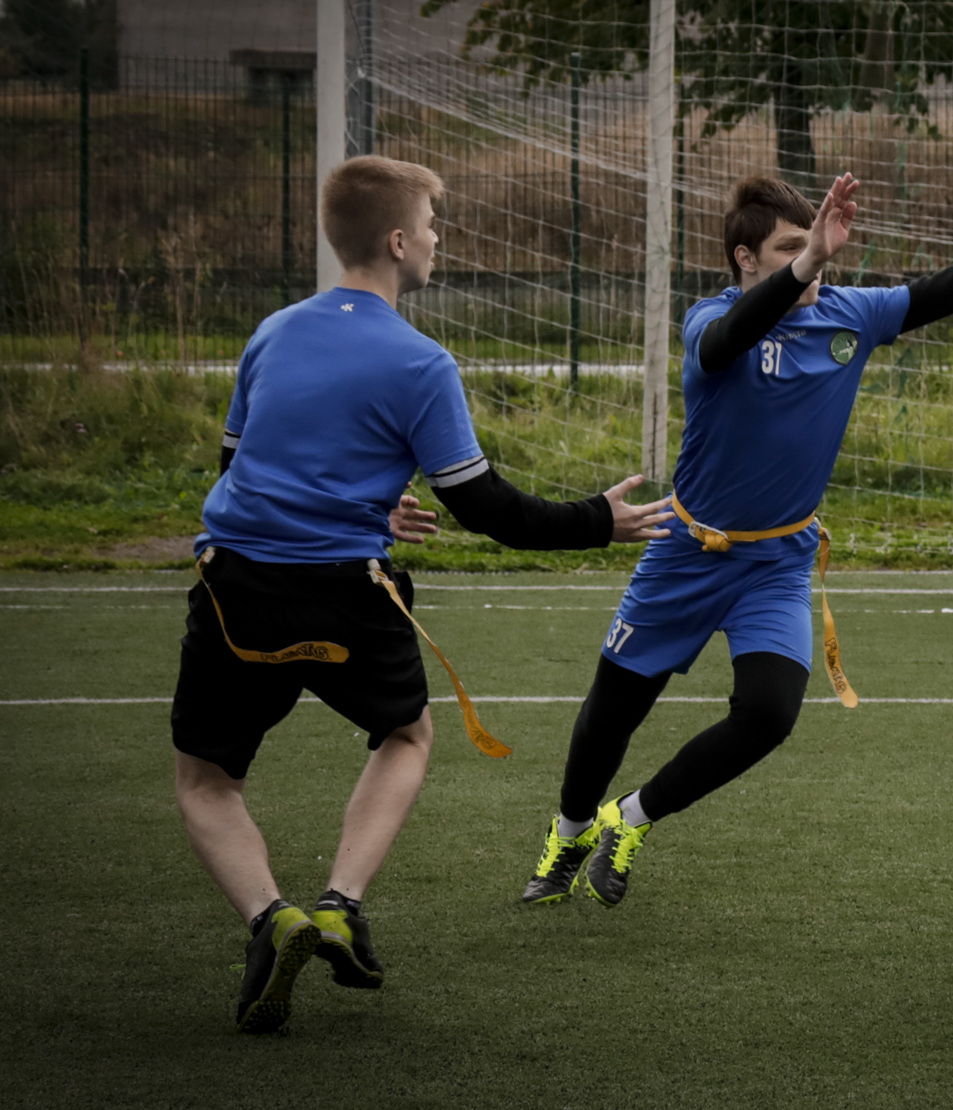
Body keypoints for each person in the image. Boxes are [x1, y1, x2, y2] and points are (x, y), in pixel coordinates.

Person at [521, 159, 953, 909]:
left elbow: (951, 287)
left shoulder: (849, 313)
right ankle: (569, 829)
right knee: (610, 716)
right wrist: (809, 260)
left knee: (769, 714)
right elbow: (731, 337)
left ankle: (627, 819)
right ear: (746, 259)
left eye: (814, 245)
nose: (813, 261)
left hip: (776, 560)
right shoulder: (709, 320)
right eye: (789, 249)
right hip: (687, 550)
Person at [174, 155, 669, 1032]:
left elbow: (238, 466)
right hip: (346, 594)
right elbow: (487, 509)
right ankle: (339, 903)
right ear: (400, 243)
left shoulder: (273, 332)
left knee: (208, 779)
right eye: (434, 226)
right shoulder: (421, 361)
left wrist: (364, 499)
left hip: (236, 584)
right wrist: (601, 519)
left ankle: (268, 916)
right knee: (405, 733)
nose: (440, 240)